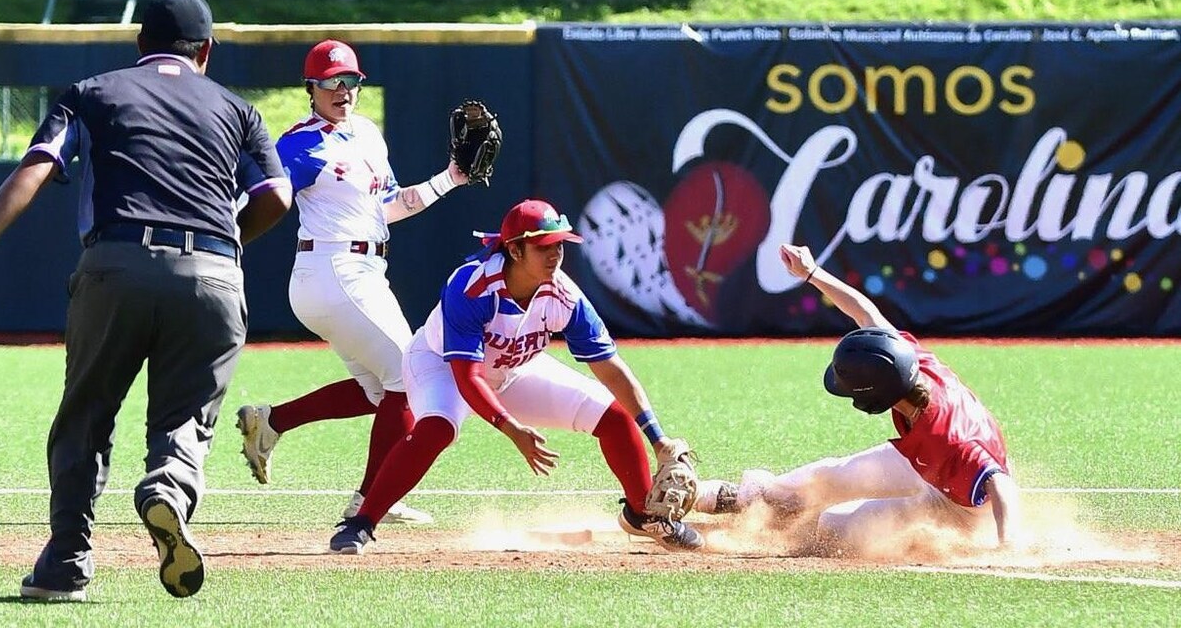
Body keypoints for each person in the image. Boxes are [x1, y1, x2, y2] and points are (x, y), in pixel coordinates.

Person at [0, 0, 293, 601]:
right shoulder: (239, 111)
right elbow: (278, 197)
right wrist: (224, 242)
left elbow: (36, 165)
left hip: (116, 264)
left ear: (140, 45)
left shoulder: (93, 91)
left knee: (85, 418)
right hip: (212, 274)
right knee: (185, 416)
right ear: (206, 51)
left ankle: (65, 566)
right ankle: (168, 486)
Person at [327, 198, 705, 554]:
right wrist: (512, 429)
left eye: (560, 244)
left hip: (511, 369)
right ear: (515, 250)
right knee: (438, 428)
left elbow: (610, 367)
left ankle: (643, 515)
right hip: (440, 366)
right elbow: (467, 376)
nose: (555, 254)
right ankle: (360, 523)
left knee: (615, 417)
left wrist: (657, 437)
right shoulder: (472, 286)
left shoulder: (564, 296)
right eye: (544, 246)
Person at [235, 39, 475, 525]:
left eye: (350, 81)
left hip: (364, 270)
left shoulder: (366, 133)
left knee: (379, 392)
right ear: (311, 88)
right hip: (330, 271)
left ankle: (271, 422)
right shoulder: (299, 144)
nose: (342, 90)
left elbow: (390, 206)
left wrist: (450, 177)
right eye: (331, 82)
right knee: (410, 376)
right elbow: (252, 198)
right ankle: (371, 501)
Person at [692, 244, 1022, 557]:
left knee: (833, 526)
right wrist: (812, 272)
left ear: (874, 399)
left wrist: (1008, 545)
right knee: (827, 476)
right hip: (922, 458)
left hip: (956, 506)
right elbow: (865, 314)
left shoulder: (953, 440)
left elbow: (1000, 482)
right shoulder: (911, 363)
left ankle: (784, 528)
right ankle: (746, 499)